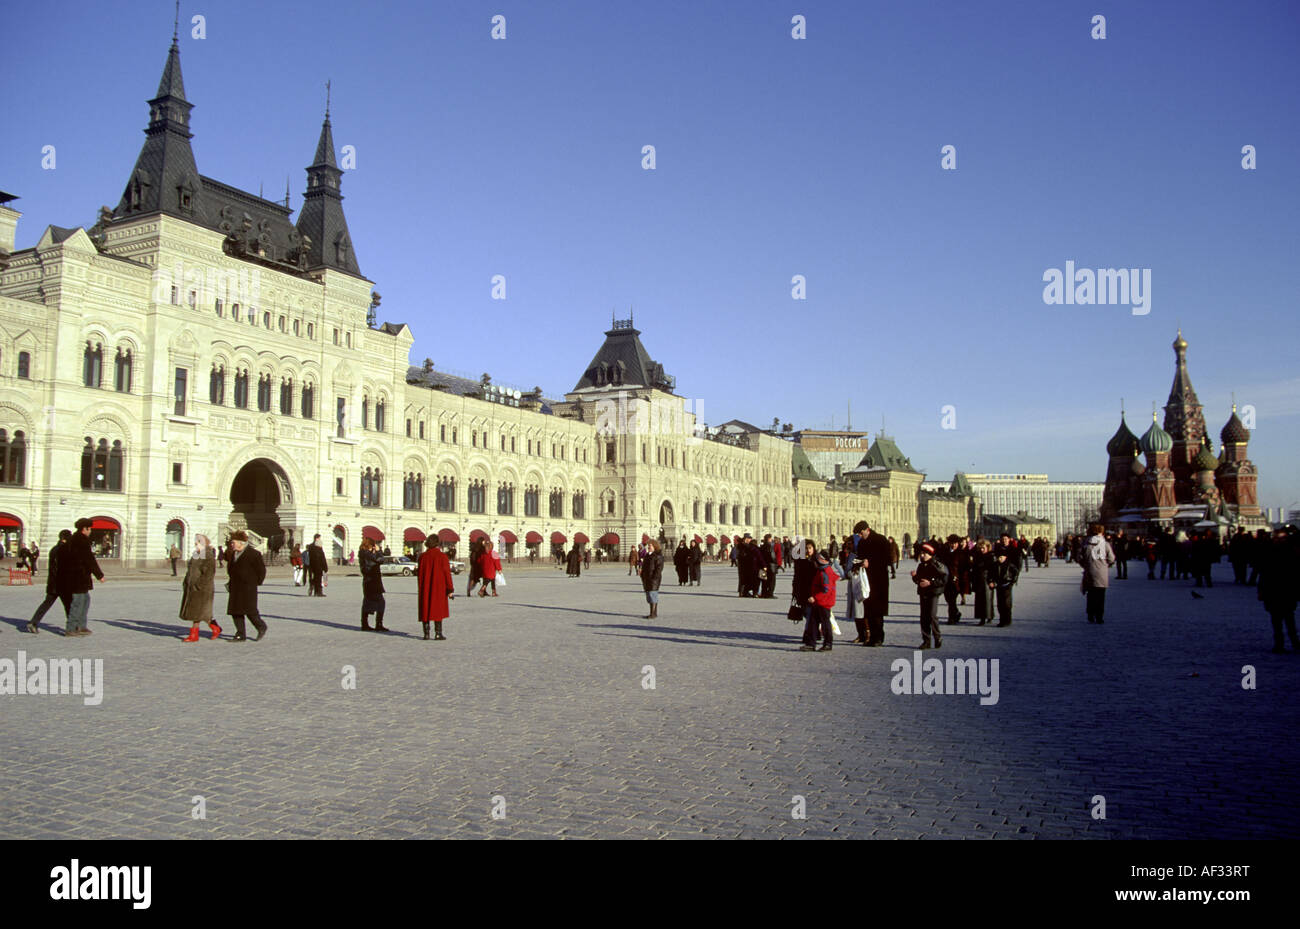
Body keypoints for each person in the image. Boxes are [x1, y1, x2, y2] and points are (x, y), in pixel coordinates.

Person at [1257, 528, 1300, 653]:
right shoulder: (1272, 553)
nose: (1280, 541)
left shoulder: (1291, 553)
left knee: (1286, 618)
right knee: (1280, 619)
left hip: (1284, 590)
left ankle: (1289, 642)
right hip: (1276, 590)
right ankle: (1282, 643)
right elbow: (1264, 574)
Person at [61, 518, 106, 637]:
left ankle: (81, 625)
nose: (90, 531)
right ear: (84, 529)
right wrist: (99, 575)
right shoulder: (81, 541)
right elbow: (89, 560)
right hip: (77, 577)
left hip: (78, 577)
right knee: (78, 602)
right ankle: (71, 628)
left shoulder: (74, 539)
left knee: (85, 600)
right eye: (89, 528)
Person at [854, 521, 892, 647]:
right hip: (866, 581)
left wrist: (871, 563)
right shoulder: (862, 543)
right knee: (868, 610)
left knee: (877, 611)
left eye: (861, 533)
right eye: (858, 534)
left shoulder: (880, 540)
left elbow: (887, 559)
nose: (860, 535)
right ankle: (871, 638)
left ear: (867, 529)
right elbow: (859, 558)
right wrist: (858, 563)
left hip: (879, 580)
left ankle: (879, 637)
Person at [26, 530, 71, 634]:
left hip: (52, 582)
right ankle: (71, 627)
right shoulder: (64, 550)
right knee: (69, 605)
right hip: (62, 583)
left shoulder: (54, 549)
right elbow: (64, 568)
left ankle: (34, 622)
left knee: (47, 603)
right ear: (64, 538)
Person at [225, 530, 267, 642]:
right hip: (235, 586)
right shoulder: (233, 554)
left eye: (233, 542)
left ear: (241, 543)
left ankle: (261, 626)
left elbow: (261, 570)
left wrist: (255, 582)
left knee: (250, 611)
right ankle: (240, 634)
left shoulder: (254, 554)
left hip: (248, 587)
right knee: (235, 611)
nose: (231, 544)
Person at [180, 534, 220, 642]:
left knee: (199, 612)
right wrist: (186, 582)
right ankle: (213, 628)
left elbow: (208, 574)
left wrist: (199, 585)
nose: (195, 545)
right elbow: (190, 571)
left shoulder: (208, 555)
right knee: (198, 612)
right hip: (192, 588)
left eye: (197, 543)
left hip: (202, 589)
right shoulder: (197, 555)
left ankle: (196, 634)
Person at [910, 542, 947, 650]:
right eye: (921, 553)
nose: (922, 556)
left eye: (924, 554)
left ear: (930, 554)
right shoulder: (921, 565)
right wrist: (915, 577)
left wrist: (931, 582)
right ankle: (926, 640)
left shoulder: (936, 564)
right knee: (924, 617)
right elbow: (919, 581)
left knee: (932, 615)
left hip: (933, 592)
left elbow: (944, 579)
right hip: (923, 593)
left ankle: (937, 637)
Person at [417, 534, 455, 640]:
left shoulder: (422, 557)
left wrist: (420, 586)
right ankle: (438, 633)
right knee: (437, 609)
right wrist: (450, 589)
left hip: (425, 586)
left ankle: (426, 633)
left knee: (425, 608)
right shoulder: (442, 557)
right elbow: (447, 574)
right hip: (439, 587)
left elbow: (419, 574)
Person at [800, 549, 837, 652]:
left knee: (825, 624)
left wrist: (815, 598)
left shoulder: (825, 572)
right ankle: (811, 643)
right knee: (813, 622)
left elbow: (826, 590)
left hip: (823, 602)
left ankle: (828, 644)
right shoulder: (821, 571)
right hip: (818, 602)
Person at [1080, 523, 1116, 624]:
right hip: (1102, 572)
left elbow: (1079, 557)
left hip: (1089, 571)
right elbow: (1111, 558)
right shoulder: (1105, 544)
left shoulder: (1086, 544)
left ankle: (1090, 615)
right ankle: (1099, 616)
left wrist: (1085, 565)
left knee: (1090, 594)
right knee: (1100, 595)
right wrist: (1106, 565)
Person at [358, 537, 389, 631]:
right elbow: (380, 560)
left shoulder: (362, 553)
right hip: (373, 580)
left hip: (368, 581)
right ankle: (378, 624)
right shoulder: (367, 554)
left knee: (367, 602)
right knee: (381, 602)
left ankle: (364, 623)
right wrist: (379, 551)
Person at [992, 533, 1021, 627]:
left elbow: (1017, 565)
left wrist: (1014, 579)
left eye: (1006, 539)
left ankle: (1007, 619)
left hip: (1008, 578)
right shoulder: (998, 549)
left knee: (1007, 601)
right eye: (1002, 539)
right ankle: (1002, 619)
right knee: (1000, 602)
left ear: (1009, 539)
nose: (1004, 540)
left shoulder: (1013, 550)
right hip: (999, 578)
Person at [971, 538, 995, 626]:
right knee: (979, 600)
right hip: (979, 580)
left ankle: (989, 616)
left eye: (983, 548)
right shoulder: (977, 556)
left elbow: (993, 570)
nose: (982, 550)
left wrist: (992, 581)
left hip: (987, 579)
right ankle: (982, 617)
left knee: (987, 599)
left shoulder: (991, 556)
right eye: (980, 548)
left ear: (987, 547)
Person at [641, 539, 664, 619]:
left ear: (655, 546)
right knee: (649, 595)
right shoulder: (647, 555)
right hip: (647, 578)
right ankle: (654, 612)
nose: (648, 547)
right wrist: (642, 574)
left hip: (654, 579)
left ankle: (653, 613)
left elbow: (659, 568)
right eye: (648, 546)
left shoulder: (658, 556)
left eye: (650, 546)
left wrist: (654, 577)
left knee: (652, 595)